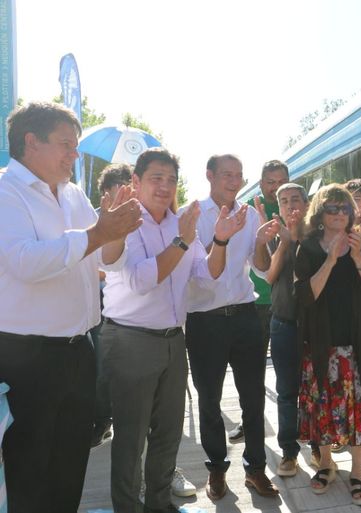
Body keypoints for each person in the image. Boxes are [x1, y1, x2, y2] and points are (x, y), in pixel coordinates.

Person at [0, 101, 141, 513]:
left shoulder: (73, 193)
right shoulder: (6, 192)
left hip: (79, 350)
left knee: (70, 466)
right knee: (28, 473)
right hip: (25, 358)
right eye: (66, 144)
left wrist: (117, 231)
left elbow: (106, 261)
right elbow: (25, 262)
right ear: (31, 141)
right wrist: (98, 233)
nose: (75, 154)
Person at [101, 148, 247, 513]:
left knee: (167, 434)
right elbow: (141, 280)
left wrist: (221, 240)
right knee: (131, 438)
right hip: (130, 341)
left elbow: (207, 273)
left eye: (171, 179)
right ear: (136, 181)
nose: (165, 187)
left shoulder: (179, 223)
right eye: (156, 178)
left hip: (172, 339)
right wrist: (181, 241)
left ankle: (159, 503)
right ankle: (126, 507)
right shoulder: (127, 222)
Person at [184, 154, 281, 501]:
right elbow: (195, 269)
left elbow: (262, 269)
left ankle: (255, 469)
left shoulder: (250, 215)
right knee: (209, 399)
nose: (234, 181)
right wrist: (221, 236)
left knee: (253, 397)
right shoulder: (191, 215)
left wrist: (261, 242)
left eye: (238, 175)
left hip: (244, 315)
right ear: (209, 175)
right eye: (227, 174)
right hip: (204, 320)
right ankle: (216, 469)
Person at [294, 184, 361, 506]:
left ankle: (357, 472)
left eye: (345, 208)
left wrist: (355, 255)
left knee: (360, 407)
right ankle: (326, 464)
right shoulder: (308, 248)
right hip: (322, 343)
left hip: (359, 343)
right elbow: (305, 296)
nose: (339, 213)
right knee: (323, 404)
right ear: (320, 213)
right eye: (332, 208)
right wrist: (330, 260)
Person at [230, 160, 290, 443]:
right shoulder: (248, 211)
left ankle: (296, 426)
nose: (275, 187)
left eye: (281, 181)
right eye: (270, 182)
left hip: (287, 302)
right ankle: (250, 421)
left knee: (289, 368)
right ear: (261, 183)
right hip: (255, 301)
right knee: (251, 369)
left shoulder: (294, 208)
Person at [253, 182, 310, 476]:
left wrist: (298, 239)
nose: (290, 206)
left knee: (315, 389)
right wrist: (285, 243)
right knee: (287, 390)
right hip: (284, 323)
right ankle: (289, 451)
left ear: (307, 203)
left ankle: (319, 446)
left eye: (295, 199)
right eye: (284, 201)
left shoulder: (320, 235)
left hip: (315, 326)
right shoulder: (275, 237)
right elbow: (270, 276)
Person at [91, 163, 135, 448]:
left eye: (130, 185)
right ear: (106, 191)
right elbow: (90, 264)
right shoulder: (92, 219)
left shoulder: (143, 217)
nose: (127, 191)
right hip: (98, 305)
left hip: (132, 307)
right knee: (101, 367)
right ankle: (102, 420)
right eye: (120, 186)